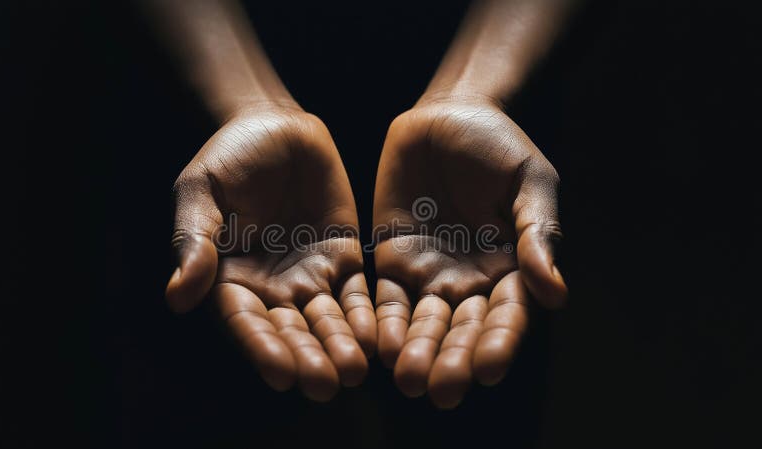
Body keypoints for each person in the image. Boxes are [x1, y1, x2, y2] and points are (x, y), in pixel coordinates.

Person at [146, 0, 573, 409]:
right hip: (238, 154)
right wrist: (249, 102)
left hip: (476, 169)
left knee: (472, 395)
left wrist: (471, 95)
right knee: (239, 399)